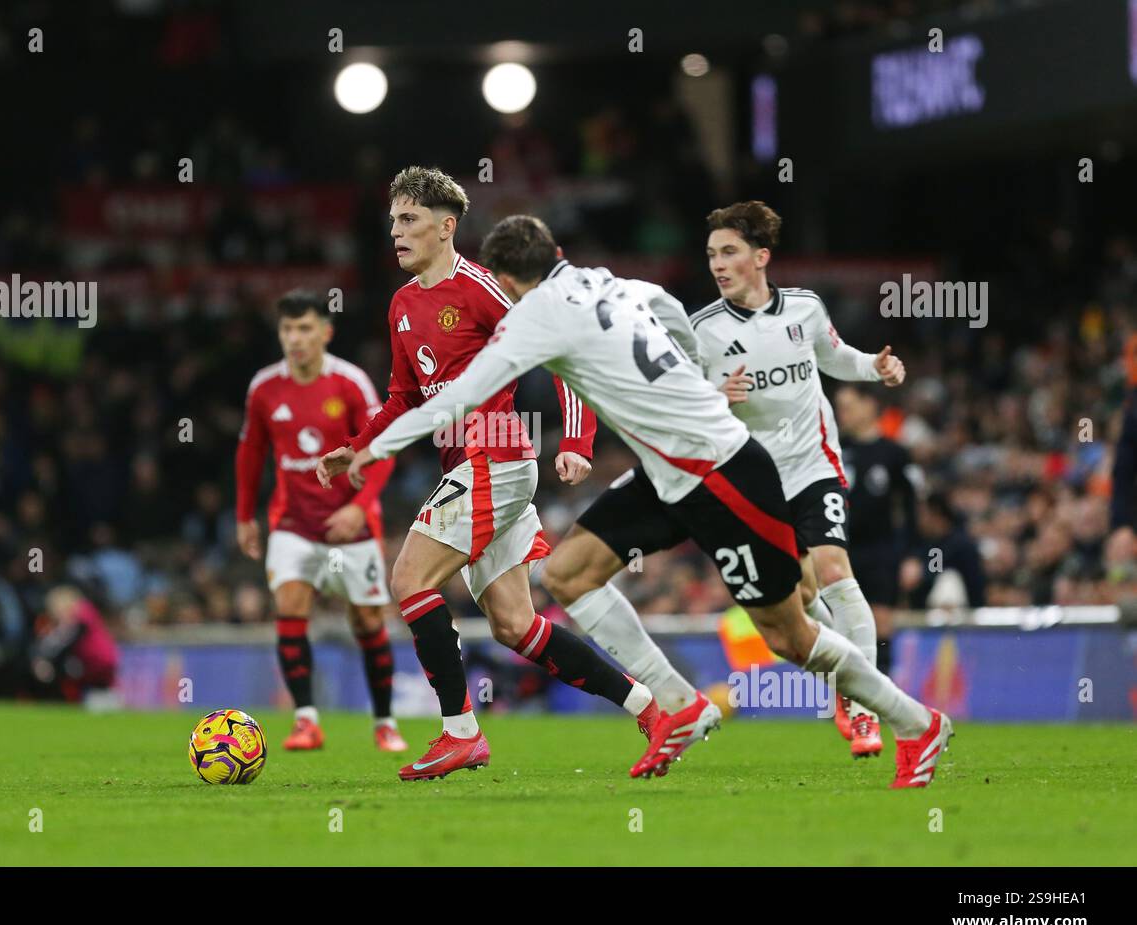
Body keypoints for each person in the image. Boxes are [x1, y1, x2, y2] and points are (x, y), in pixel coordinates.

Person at [343, 214, 953, 789]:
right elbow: (667, 306)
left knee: (788, 634)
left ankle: (915, 723)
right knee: (567, 572)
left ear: (507, 281)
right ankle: (678, 703)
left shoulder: (532, 318)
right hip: (667, 471)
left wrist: (370, 452)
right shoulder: (603, 280)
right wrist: (696, 371)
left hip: (720, 470)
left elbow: (454, 400)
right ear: (555, 254)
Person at [317, 167, 660, 781]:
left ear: (446, 226)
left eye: (410, 220)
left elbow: (562, 350)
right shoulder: (401, 305)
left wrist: (577, 438)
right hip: (469, 463)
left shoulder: (482, 288)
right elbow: (403, 397)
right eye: (392, 220)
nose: (396, 231)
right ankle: (649, 707)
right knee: (514, 623)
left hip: (496, 457)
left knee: (409, 578)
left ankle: (460, 733)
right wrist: (358, 447)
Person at [691, 200, 905, 758]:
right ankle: (843, 683)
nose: (718, 263)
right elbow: (682, 410)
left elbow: (835, 358)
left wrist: (874, 368)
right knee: (800, 597)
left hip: (814, 464)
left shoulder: (805, 309)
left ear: (761, 257)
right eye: (713, 253)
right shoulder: (703, 331)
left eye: (730, 251)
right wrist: (717, 397)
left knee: (835, 570)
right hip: (754, 480)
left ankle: (864, 708)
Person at [236, 289, 406, 752]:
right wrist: (244, 514)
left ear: (325, 332)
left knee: (368, 622)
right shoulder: (264, 387)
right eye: (288, 329)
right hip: (292, 523)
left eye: (305, 328)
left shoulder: (350, 384)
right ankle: (306, 720)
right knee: (290, 608)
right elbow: (251, 451)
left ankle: (385, 723)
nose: (295, 338)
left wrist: (359, 504)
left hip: (350, 526)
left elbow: (382, 448)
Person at [835, 382, 920, 677]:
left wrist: (912, 555)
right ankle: (846, 700)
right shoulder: (835, 449)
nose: (842, 414)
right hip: (840, 551)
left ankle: (882, 695)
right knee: (843, 625)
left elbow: (910, 508)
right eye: (839, 408)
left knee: (882, 622)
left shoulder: (894, 454)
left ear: (869, 405)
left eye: (848, 406)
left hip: (881, 550)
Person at [32, 586, 119, 702]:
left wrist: (41, 657)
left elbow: (62, 638)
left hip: (95, 664)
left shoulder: (80, 613)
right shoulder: (87, 611)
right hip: (101, 665)